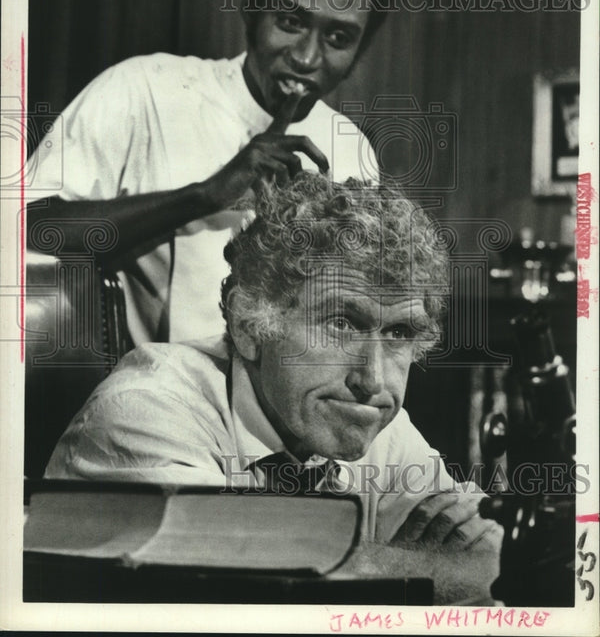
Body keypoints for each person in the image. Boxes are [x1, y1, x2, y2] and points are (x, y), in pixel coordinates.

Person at [46, 173, 502, 566]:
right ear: (249, 326)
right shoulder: (144, 410)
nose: (374, 380)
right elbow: (242, 598)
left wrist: (379, 571)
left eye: (400, 333)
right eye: (341, 324)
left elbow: (495, 567)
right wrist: (393, 569)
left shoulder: (371, 419)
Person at [26, 0, 396, 345]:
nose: (306, 58)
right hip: (161, 398)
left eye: (338, 38)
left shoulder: (351, 149)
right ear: (249, 6)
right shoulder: (145, 88)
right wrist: (204, 195)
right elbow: (30, 227)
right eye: (290, 20)